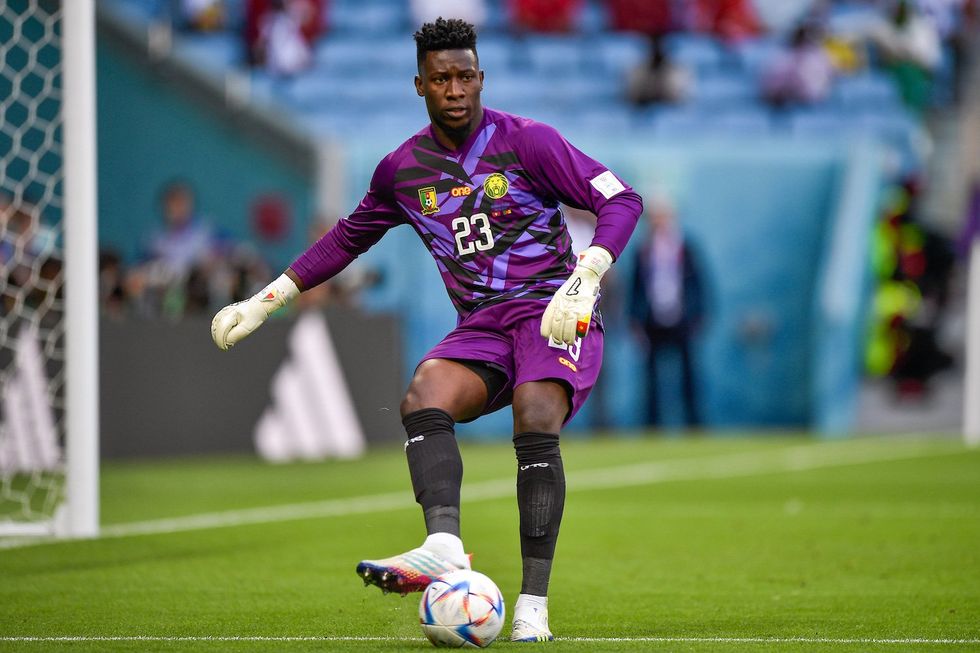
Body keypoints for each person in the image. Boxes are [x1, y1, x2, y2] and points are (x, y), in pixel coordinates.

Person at [209, 17, 642, 642]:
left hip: (554, 307)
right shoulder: (403, 171)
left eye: (466, 76)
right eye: (442, 79)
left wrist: (588, 274)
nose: (456, 89)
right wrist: (268, 298)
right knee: (424, 393)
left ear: (481, 77)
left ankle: (532, 608)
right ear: (420, 85)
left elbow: (620, 199)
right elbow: (346, 238)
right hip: (484, 326)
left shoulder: (529, 142)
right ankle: (443, 543)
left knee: (535, 410)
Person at [628, 195, 705, 428]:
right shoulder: (643, 249)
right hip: (653, 321)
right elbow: (636, 287)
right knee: (651, 378)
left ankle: (694, 424)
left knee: (689, 376)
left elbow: (698, 284)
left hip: (681, 319)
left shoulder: (685, 247)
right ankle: (652, 426)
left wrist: (698, 314)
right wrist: (634, 320)